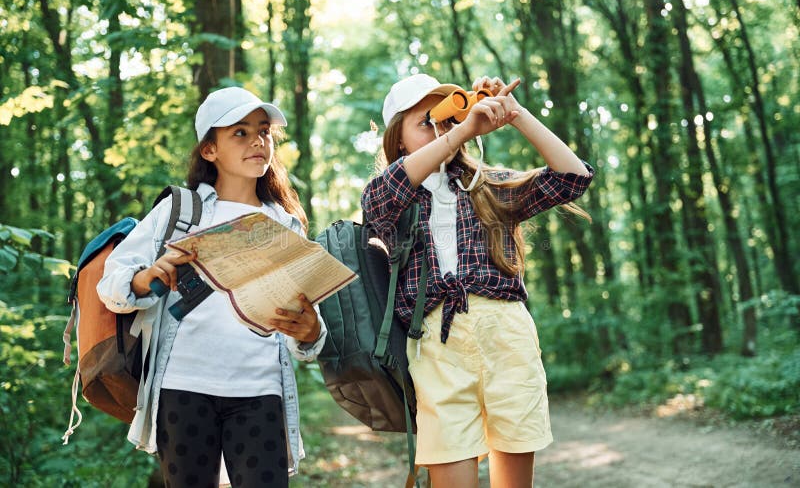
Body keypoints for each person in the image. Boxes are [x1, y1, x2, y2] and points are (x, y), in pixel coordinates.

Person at [361, 74, 594, 488]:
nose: (444, 129)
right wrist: (462, 129)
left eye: (449, 120)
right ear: (398, 139)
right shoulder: (393, 195)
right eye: (427, 122)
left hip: (505, 334)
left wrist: (515, 113)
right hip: (437, 344)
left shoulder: (485, 186)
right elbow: (379, 196)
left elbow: (573, 178)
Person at [97, 86, 327, 488]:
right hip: (183, 388)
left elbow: (303, 328)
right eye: (239, 132)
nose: (258, 140)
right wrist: (146, 276)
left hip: (261, 391)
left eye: (264, 131)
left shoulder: (284, 223)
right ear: (209, 150)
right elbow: (111, 285)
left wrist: (311, 332)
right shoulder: (180, 211)